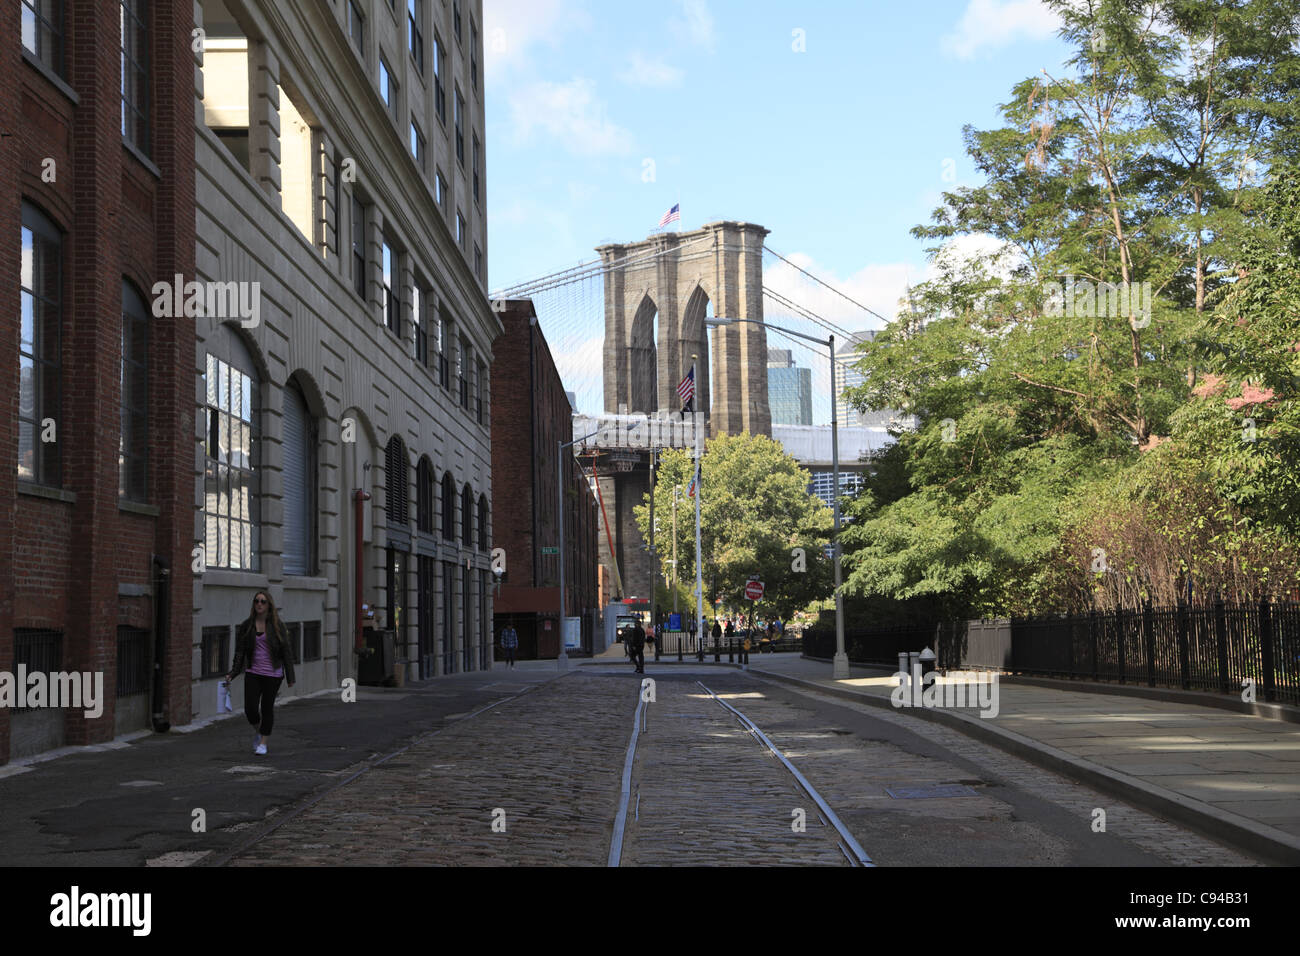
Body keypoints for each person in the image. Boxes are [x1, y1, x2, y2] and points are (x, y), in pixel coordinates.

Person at [226, 590, 295, 756]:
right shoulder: (247, 625)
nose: (259, 604)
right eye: (257, 601)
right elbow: (240, 652)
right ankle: (259, 731)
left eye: (263, 602)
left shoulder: (278, 626)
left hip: (273, 674)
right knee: (250, 709)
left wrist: (290, 677)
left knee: (266, 708)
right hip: (253, 672)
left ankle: (263, 743)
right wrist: (233, 673)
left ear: (269, 605)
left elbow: (286, 652)